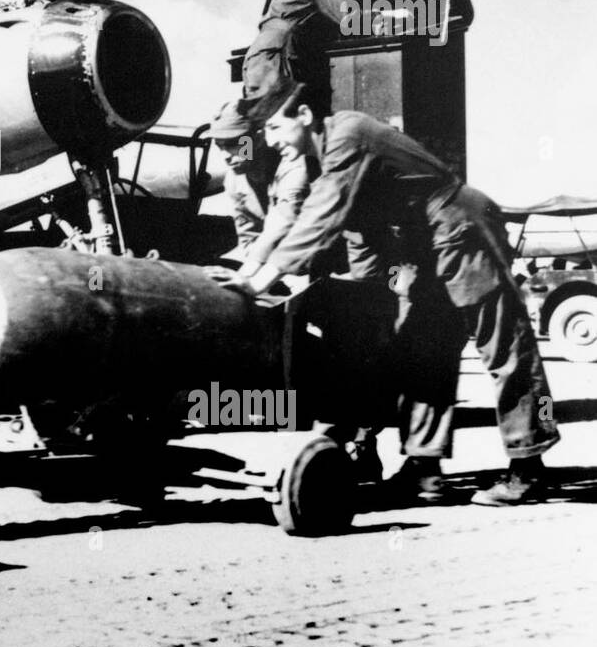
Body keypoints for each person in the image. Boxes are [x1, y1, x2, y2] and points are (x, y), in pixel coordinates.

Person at [215, 83, 560, 506]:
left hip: (462, 226)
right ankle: (424, 469)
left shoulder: (348, 135)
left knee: (504, 345)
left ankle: (530, 467)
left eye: (274, 127)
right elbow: (343, 230)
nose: (268, 140)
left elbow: (320, 219)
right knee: (423, 349)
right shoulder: (322, 160)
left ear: (304, 114)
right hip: (423, 244)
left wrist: (258, 283)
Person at [241, 0, 358, 118]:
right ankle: (245, 148)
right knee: (272, 120)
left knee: (262, 121)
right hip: (278, 55)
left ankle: (244, 148)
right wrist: (391, 18)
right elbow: (350, 20)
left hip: (268, 53)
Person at [208, 98, 315, 272]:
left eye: (234, 144)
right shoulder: (235, 179)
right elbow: (248, 237)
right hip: (269, 262)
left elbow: (285, 225)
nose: (226, 156)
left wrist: (252, 275)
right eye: (220, 146)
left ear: (258, 138)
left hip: (308, 260)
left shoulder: (292, 165)